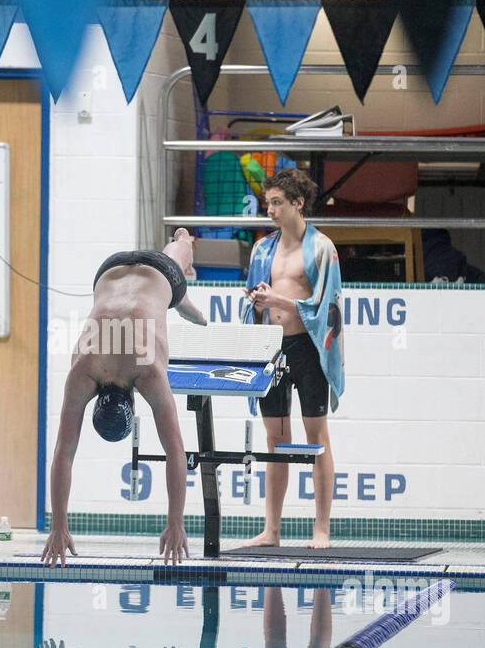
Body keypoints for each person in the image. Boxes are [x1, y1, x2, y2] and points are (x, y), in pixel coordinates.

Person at [43, 228, 207, 567]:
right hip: (109, 271)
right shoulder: (84, 371)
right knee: (172, 291)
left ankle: (183, 246)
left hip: (162, 272)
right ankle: (182, 294)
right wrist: (58, 524)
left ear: (134, 403)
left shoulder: (148, 373)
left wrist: (175, 522)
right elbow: (63, 453)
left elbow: (176, 451)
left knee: (178, 260)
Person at [241, 167, 345, 548]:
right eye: (268, 202)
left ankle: (321, 528)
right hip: (272, 347)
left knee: (317, 437)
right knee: (275, 440)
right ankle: (272, 530)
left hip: (308, 350)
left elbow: (326, 309)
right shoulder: (261, 248)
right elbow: (252, 299)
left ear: (298, 203)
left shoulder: (321, 249)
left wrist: (279, 300)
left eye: (277, 203)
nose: (269, 210)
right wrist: (257, 300)